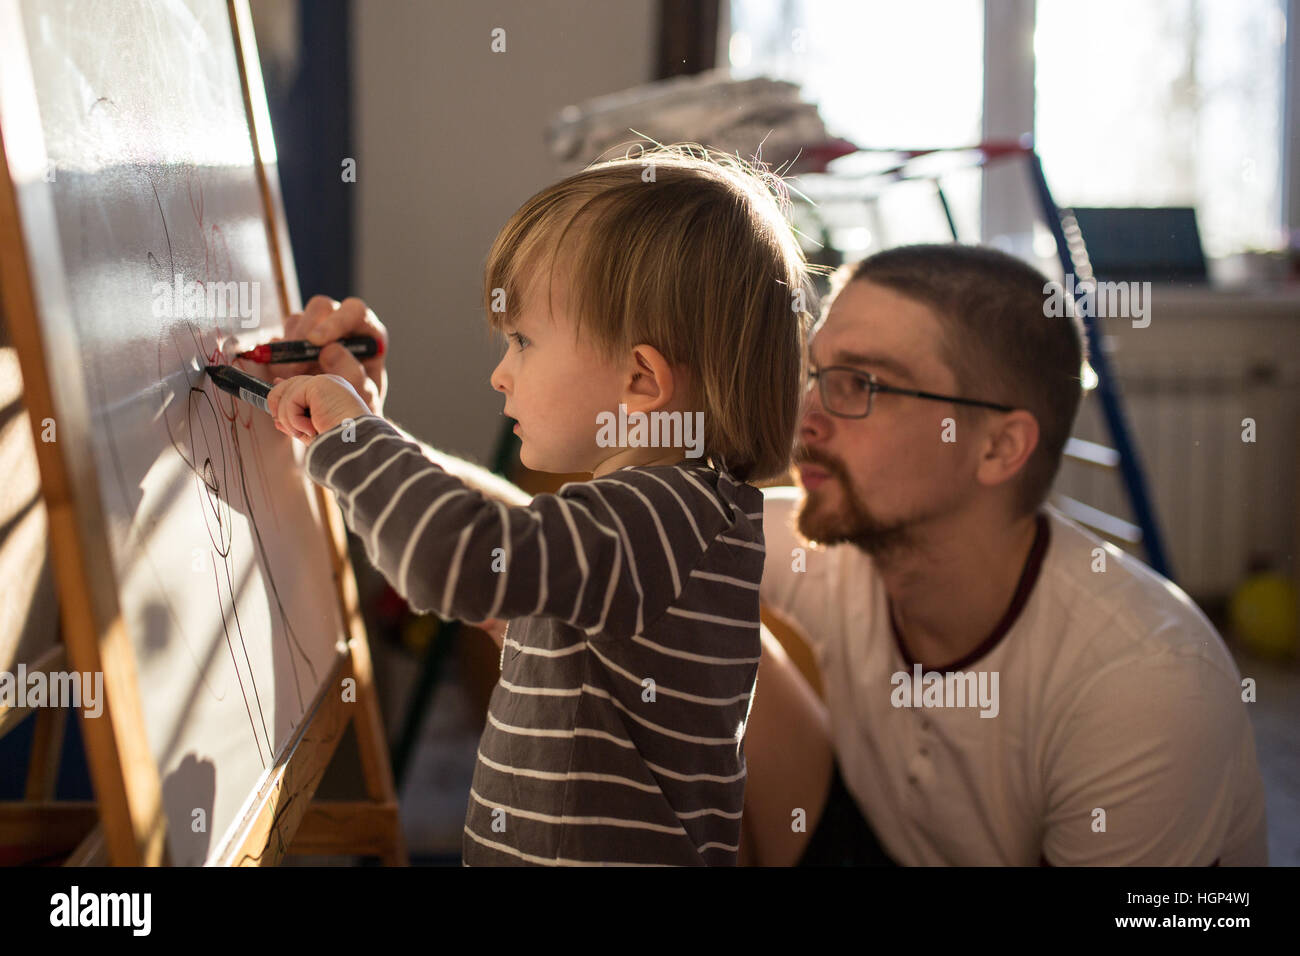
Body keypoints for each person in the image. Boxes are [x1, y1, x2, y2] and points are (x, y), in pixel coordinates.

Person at [263, 146, 812, 865]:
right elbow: (505, 580)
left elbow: (447, 558)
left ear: (641, 380)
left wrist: (353, 434)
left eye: (522, 341)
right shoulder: (673, 515)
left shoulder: (662, 520)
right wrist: (366, 423)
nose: (500, 373)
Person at [741, 243, 1268, 866]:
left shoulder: (1147, 682)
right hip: (875, 843)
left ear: (1000, 447)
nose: (806, 419)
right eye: (814, 374)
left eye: (862, 385)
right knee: (683, 585)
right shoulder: (818, 551)